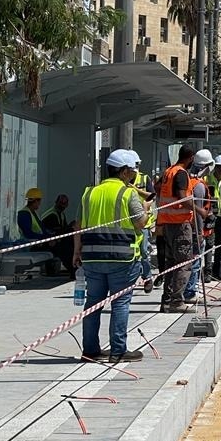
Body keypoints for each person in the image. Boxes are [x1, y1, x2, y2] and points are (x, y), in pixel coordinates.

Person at [73, 149, 147, 364]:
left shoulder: (90, 193)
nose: (134, 174)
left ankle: (90, 350)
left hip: (91, 257)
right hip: (121, 258)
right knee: (120, 303)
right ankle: (118, 350)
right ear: (123, 172)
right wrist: (146, 207)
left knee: (93, 303)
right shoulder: (127, 193)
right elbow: (140, 223)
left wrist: (76, 251)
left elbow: (78, 225)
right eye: (132, 170)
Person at [156, 144, 196, 313]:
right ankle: (177, 301)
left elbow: (157, 187)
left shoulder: (168, 172)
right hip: (179, 224)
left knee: (171, 263)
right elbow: (181, 197)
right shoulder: (181, 174)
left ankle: (166, 300)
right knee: (184, 263)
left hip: (167, 224)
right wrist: (198, 209)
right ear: (191, 158)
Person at [182, 149, 214, 302]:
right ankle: (190, 292)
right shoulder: (199, 186)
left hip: (186, 227)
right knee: (195, 261)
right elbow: (198, 211)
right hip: (195, 229)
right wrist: (200, 233)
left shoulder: (190, 181)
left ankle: (187, 290)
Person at [129, 154, 155, 293]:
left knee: (144, 251)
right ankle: (131, 278)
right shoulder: (122, 180)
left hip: (143, 223)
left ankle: (147, 277)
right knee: (132, 251)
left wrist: (145, 207)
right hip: (128, 224)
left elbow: (152, 196)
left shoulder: (145, 179)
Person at [41, 194, 76, 276]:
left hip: (54, 240)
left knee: (71, 243)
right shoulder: (52, 215)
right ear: (56, 203)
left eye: (64, 204)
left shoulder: (60, 213)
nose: (62, 206)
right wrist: (70, 227)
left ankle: (74, 268)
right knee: (65, 249)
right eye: (61, 204)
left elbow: (63, 229)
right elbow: (56, 231)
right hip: (46, 242)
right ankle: (73, 270)